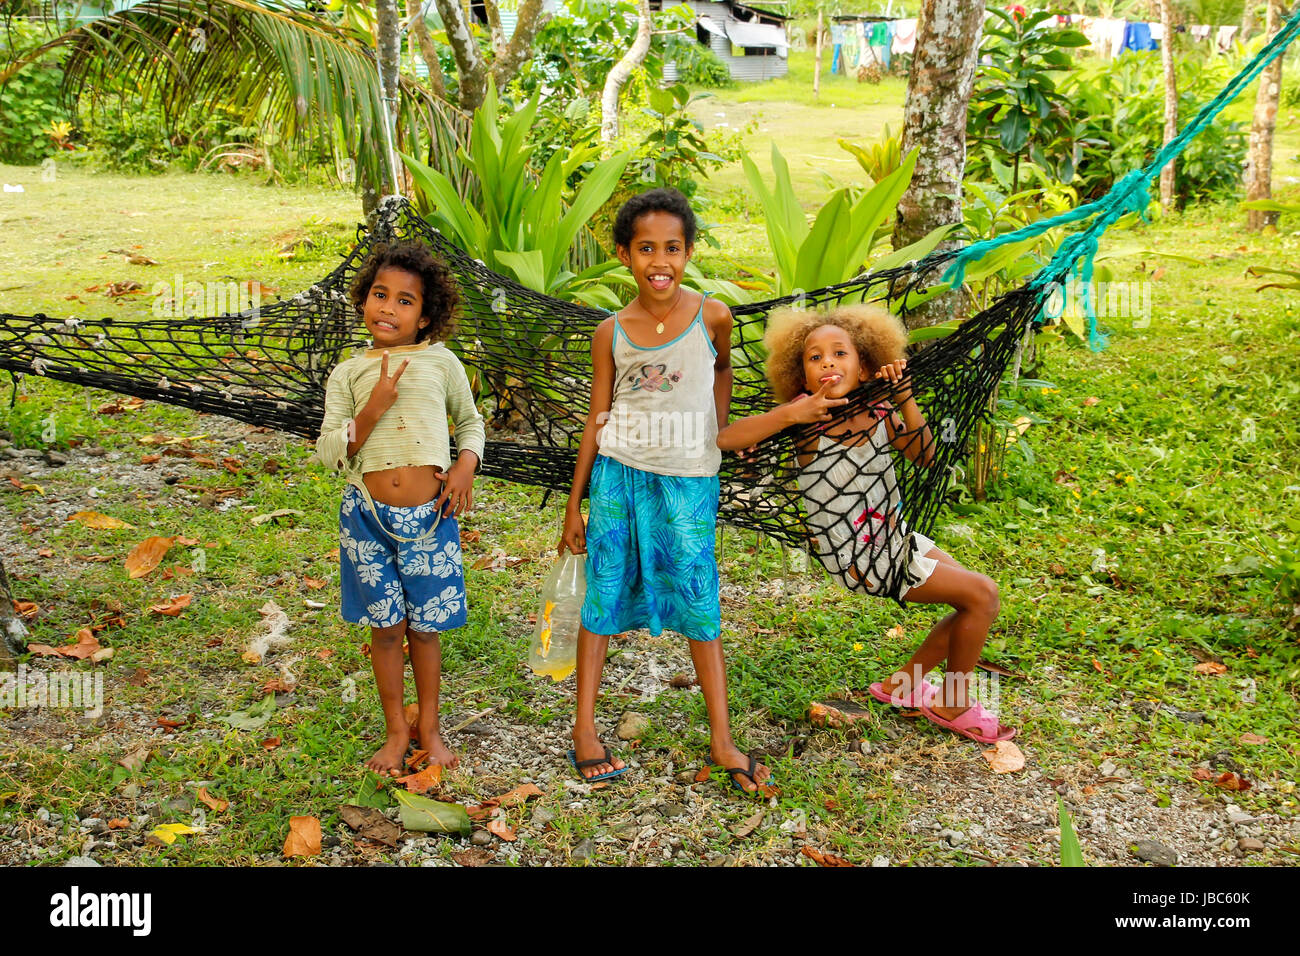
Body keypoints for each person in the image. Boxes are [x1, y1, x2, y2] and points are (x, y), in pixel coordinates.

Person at [716, 304, 1016, 744]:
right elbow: (727, 439)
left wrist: (904, 398)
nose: (828, 363)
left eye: (840, 353)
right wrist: (789, 414)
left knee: (973, 599)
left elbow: (927, 458)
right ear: (800, 375)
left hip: (895, 538)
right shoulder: (806, 416)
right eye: (815, 357)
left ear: (866, 364)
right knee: (983, 593)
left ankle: (900, 686)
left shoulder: (879, 410)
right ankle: (953, 703)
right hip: (859, 556)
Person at [558, 188, 773, 792]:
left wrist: (718, 429)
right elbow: (597, 419)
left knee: (701, 605)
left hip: (689, 484)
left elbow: (723, 369)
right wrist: (575, 504)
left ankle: (723, 740)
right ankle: (584, 730)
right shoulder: (612, 332)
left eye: (673, 248)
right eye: (646, 248)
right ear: (625, 255)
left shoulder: (713, 316)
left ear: (689, 251)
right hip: (619, 479)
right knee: (601, 598)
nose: (661, 261)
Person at [315, 240, 485, 775]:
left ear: (426, 316)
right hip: (366, 517)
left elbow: (472, 422)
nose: (388, 307)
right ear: (363, 300)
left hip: (430, 518)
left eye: (404, 301)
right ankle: (395, 732)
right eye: (379, 295)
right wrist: (373, 410)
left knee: (424, 629)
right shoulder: (348, 373)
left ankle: (429, 729)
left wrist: (464, 467)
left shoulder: (440, 362)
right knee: (385, 630)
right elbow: (329, 451)